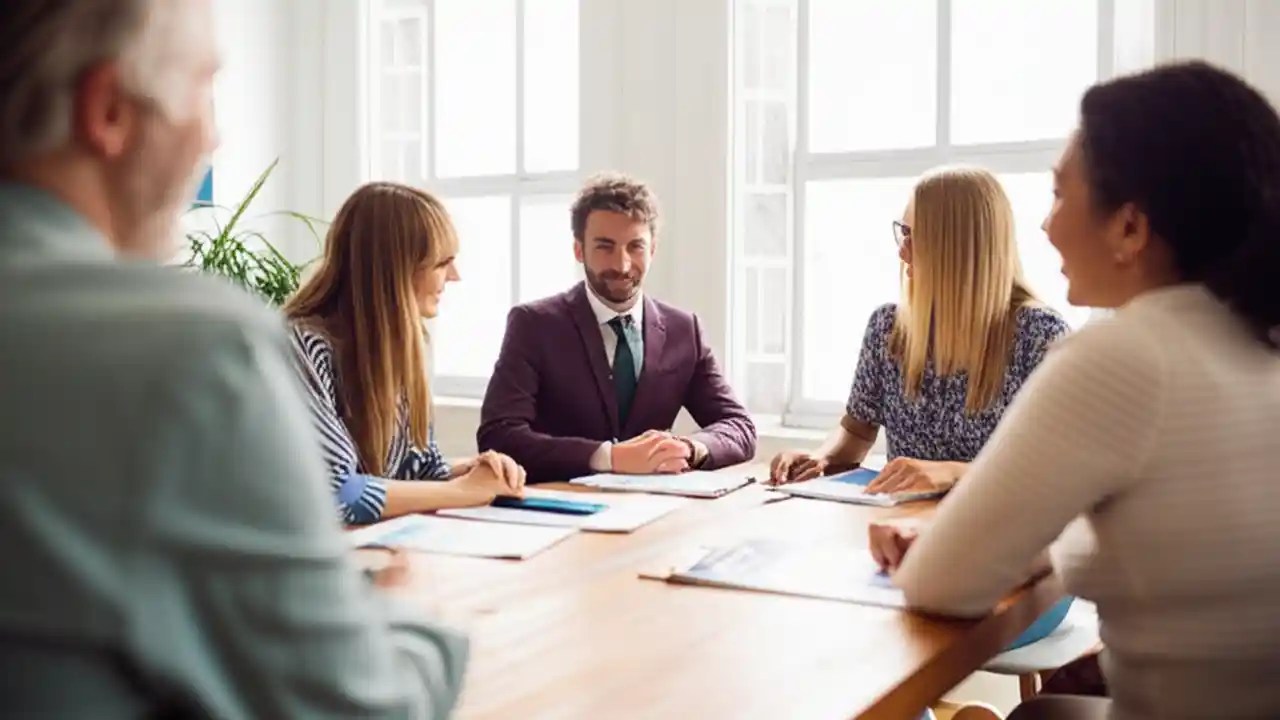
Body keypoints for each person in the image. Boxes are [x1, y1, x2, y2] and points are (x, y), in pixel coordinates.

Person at [0, 1, 467, 716]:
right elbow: (361, 707)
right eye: (202, 89)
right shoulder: (186, 350)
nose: (213, 139)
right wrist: (412, 619)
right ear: (109, 111)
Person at [869, 61, 1280, 720]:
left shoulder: (1121, 358)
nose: (1046, 226)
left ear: (1129, 227)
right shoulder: (1254, 344)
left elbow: (938, 584)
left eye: (1060, 195)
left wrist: (960, 548)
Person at [769, 167, 1070, 492]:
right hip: (894, 527)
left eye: (913, 235)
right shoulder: (887, 328)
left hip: (995, 534)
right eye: (903, 232)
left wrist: (954, 474)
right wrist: (819, 458)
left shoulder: (1040, 336)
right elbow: (856, 434)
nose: (902, 250)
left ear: (955, 246)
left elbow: (1057, 470)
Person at [478, 173, 756, 482]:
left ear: (652, 250)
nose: (622, 265)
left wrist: (691, 448)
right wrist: (609, 457)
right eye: (605, 247)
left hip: (653, 510)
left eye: (635, 246)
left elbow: (738, 425)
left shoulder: (684, 330)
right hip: (559, 505)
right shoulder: (534, 324)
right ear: (578, 249)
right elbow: (499, 436)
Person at [285, 182, 527, 524]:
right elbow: (336, 493)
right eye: (442, 263)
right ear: (396, 270)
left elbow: (418, 472)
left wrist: (472, 472)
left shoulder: (401, 348)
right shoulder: (299, 347)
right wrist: (463, 492)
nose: (455, 277)